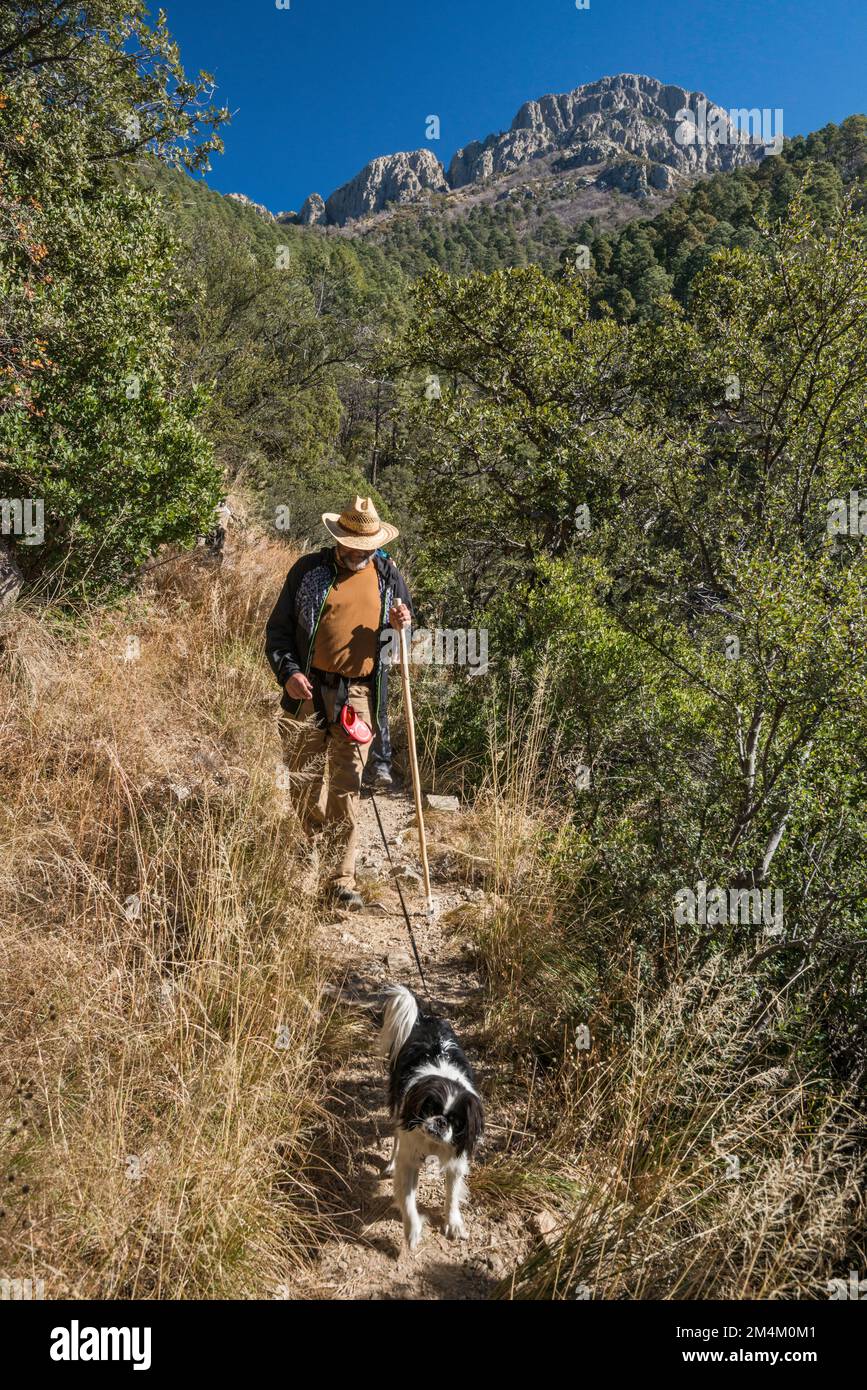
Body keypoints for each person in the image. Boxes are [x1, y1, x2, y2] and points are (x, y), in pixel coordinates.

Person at [265, 496, 412, 910]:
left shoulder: (387, 573)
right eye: (348, 544)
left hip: (359, 696)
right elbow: (276, 633)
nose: (354, 553)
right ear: (337, 538)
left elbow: (403, 633)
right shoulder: (308, 571)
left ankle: (339, 880)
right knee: (303, 785)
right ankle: (309, 850)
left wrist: (402, 626)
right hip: (306, 694)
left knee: (346, 788)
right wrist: (289, 673)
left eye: (362, 547)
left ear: (374, 545)